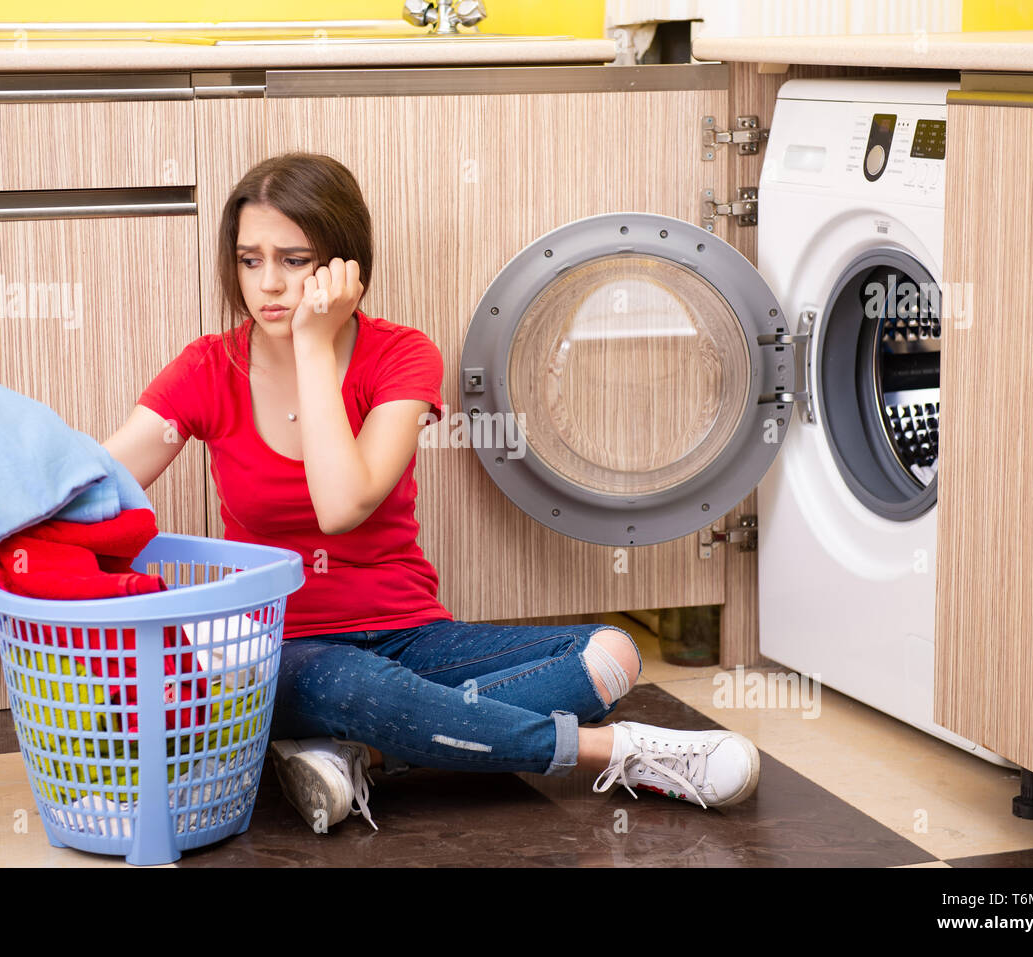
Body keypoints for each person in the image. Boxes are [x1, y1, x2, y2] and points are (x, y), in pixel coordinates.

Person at [102, 151, 761, 833]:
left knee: (611, 651)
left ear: (344, 266)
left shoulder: (403, 355)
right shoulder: (208, 368)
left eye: (294, 260)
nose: (267, 284)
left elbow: (344, 498)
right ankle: (610, 749)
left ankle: (368, 749)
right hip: (280, 645)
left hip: (409, 633)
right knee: (351, 684)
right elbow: (101, 485)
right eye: (249, 260)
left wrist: (312, 349)